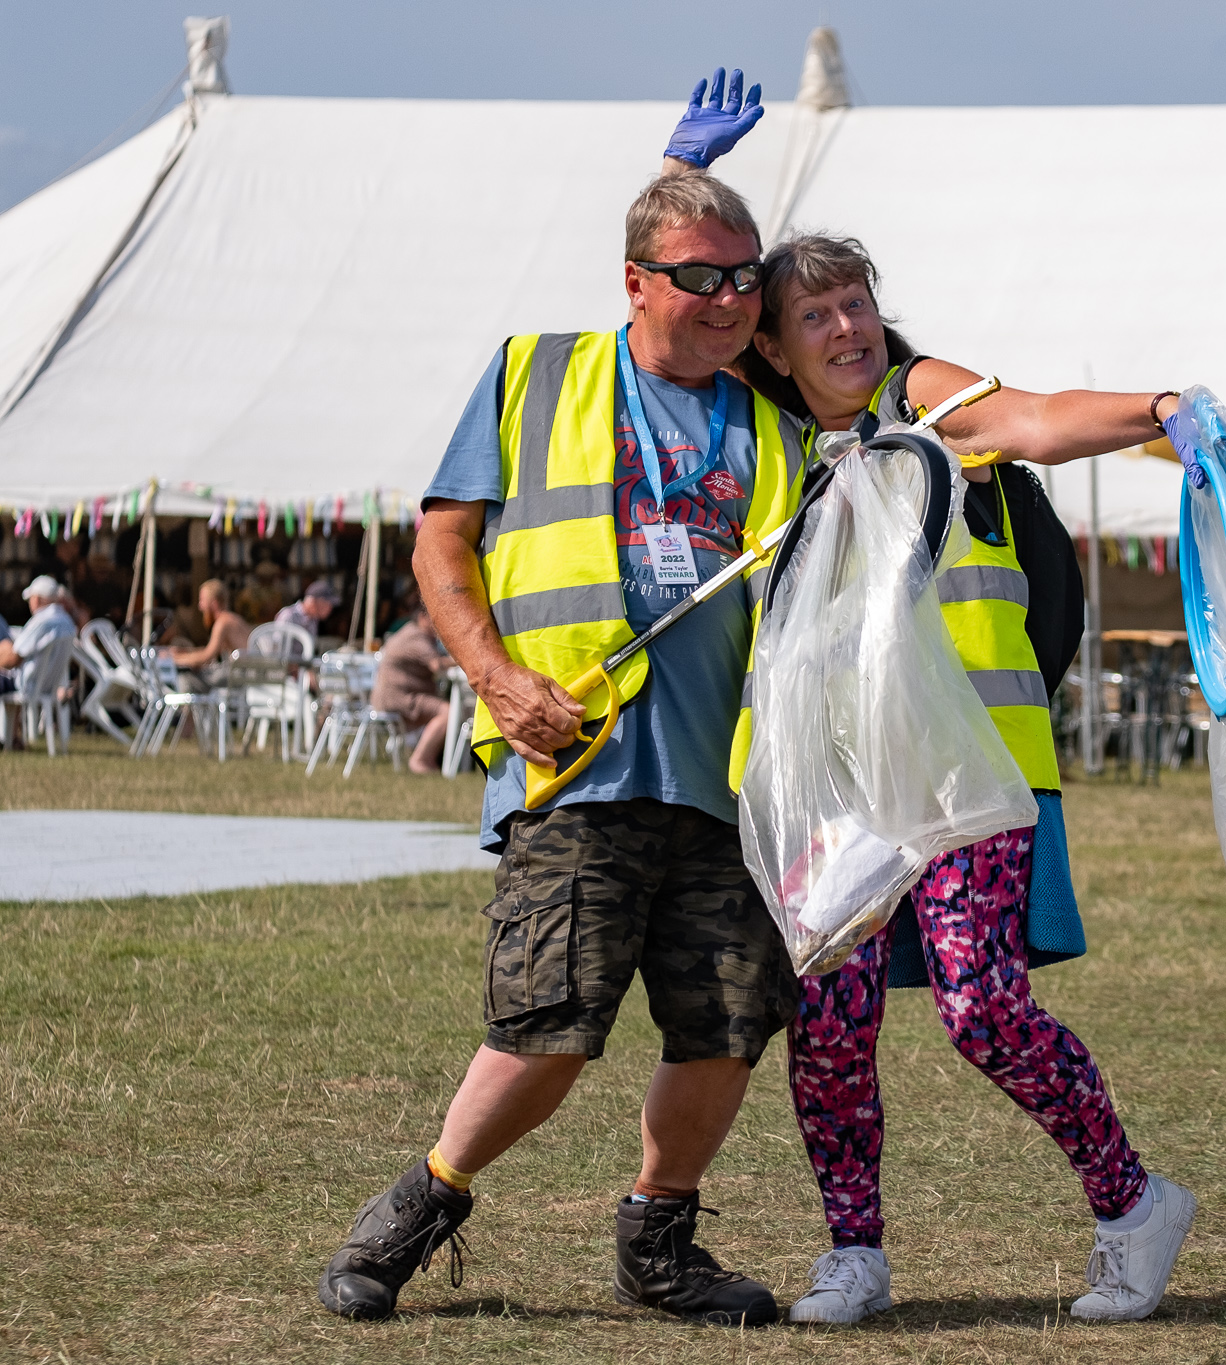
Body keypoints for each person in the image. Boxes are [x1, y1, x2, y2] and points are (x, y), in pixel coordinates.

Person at [315, 76, 811, 1328]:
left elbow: (857, 341)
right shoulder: (536, 375)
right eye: (698, 275)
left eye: (745, 277)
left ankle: (660, 1244)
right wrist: (493, 677)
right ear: (634, 281)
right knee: (547, 1025)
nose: (729, 298)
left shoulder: (776, 424)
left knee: (725, 1027)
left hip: (726, 779)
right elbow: (443, 544)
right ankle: (420, 1206)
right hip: (571, 761)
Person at [734, 233, 1206, 1325]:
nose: (846, 327)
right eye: (815, 315)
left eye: (855, 302)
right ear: (773, 342)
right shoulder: (770, 444)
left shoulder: (924, 401)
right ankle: (853, 1251)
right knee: (831, 1023)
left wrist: (1159, 410)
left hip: (969, 766)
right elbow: (660, 349)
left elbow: (1038, 418)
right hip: (839, 786)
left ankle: (1134, 1206)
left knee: (983, 1008)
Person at [370, 607, 454, 775]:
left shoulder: (407, 631)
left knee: (445, 708)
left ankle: (431, 758)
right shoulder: (416, 637)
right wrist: (461, 661)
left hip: (388, 697)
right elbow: (436, 665)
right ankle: (421, 759)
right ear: (422, 617)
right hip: (399, 699)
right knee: (449, 712)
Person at [0, 576, 78, 729]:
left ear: (37, 599)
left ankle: (8, 735)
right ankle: (12, 735)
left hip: (28, 684)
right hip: (47, 686)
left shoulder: (42, 621)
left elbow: (13, 658)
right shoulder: (66, 621)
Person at [169, 578, 250, 677]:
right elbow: (211, 649)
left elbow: (208, 656)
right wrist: (184, 652)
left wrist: (174, 659)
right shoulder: (232, 618)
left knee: (186, 680)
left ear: (214, 603)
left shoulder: (223, 622)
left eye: (202, 600)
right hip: (245, 675)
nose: (200, 606)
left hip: (243, 677)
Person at [275, 580, 339, 639]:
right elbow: (276, 647)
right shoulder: (289, 616)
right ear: (313, 602)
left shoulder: (313, 619)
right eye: (328, 604)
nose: (330, 609)